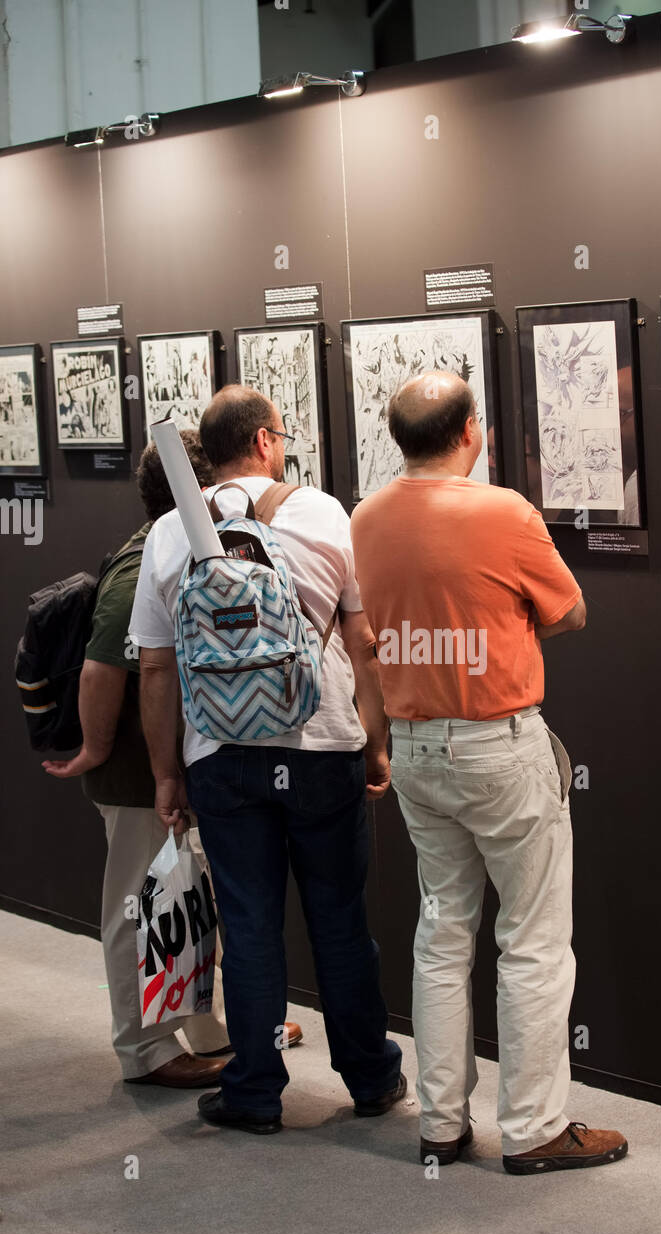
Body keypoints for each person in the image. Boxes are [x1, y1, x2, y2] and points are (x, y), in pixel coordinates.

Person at [350, 370, 628, 1175]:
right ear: (470, 429)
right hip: (498, 746)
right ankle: (535, 1126)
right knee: (534, 941)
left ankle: (440, 1122)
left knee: (441, 933)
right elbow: (568, 610)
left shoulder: (366, 517)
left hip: (414, 748)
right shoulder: (505, 512)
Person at [129, 385, 403, 1135]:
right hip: (321, 749)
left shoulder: (166, 535)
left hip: (222, 755)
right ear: (262, 442)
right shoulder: (322, 512)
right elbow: (362, 641)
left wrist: (166, 774)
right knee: (340, 919)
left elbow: (156, 670)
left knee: (248, 925)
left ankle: (254, 1092)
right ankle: (371, 1078)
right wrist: (375, 742)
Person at [42, 433, 241, 1086]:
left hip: (163, 764)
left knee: (185, 896)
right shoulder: (142, 565)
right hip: (133, 772)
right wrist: (96, 749)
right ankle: (144, 1049)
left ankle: (202, 1024)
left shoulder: (167, 543)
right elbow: (103, 669)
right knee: (136, 905)